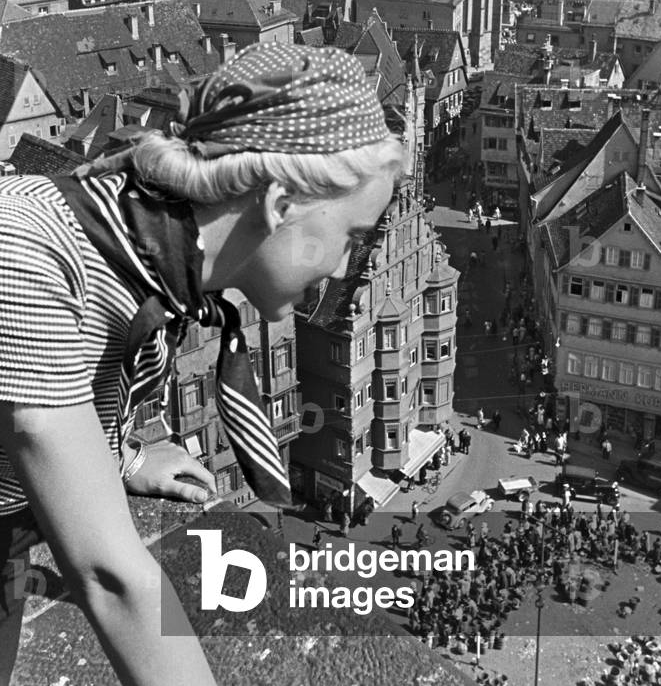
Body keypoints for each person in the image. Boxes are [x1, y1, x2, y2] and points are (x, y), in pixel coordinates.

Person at [0, 42, 406, 686]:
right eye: (351, 236)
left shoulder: (138, 256)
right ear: (281, 204)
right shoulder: (25, 253)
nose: (340, 269)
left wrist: (121, 455)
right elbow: (110, 576)